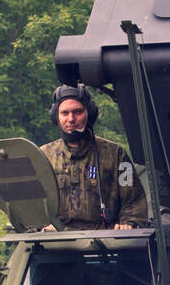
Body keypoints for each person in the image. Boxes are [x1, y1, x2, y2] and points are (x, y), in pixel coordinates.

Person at [39, 84, 148, 230]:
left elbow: (133, 200)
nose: (71, 119)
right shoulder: (43, 156)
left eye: (77, 112)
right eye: (64, 113)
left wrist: (128, 224)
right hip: (57, 240)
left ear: (89, 113)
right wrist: (42, 226)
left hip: (104, 240)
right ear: (56, 117)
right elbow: (31, 203)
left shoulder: (116, 155)